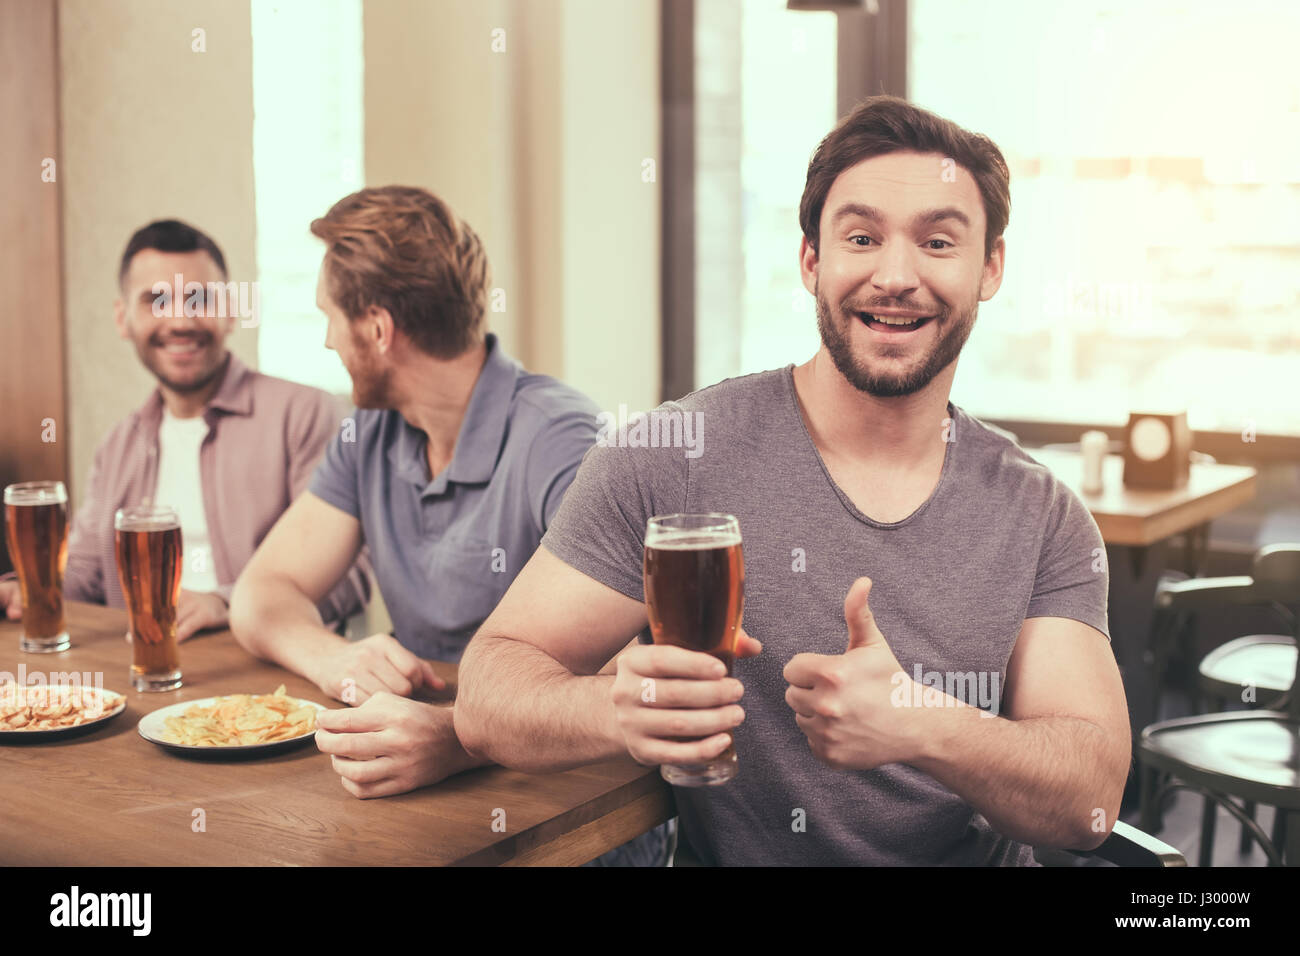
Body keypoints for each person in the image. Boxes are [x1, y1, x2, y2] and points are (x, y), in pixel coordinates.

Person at [453, 95, 1132, 865]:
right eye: (861, 237)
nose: (896, 275)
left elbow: (1093, 803)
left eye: (938, 241)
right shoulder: (671, 456)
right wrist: (614, 706)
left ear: (990, 268)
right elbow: (489, 691)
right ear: (813, 260)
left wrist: (917, 720)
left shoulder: (1043, 514)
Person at [228, 185, 671, 866]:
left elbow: (624, 677)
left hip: (576, 811)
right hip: (428, 794)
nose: (325, 339)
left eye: (329, 317)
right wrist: (333, 657)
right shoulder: (370, 433)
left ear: (377, 330)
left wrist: (459, 737)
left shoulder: (561, 438)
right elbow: (263, 593)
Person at [0, 220, 368, 637]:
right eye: (157, 300)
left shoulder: (306, 413)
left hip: (271, 672)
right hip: (145, 669)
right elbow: (86, 572)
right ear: (124, 319)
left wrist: (226, 603)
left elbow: (353, 576)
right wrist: (25, 591)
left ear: (230, 312)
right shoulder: (119, 443)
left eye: (200, 299)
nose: (180, 320)